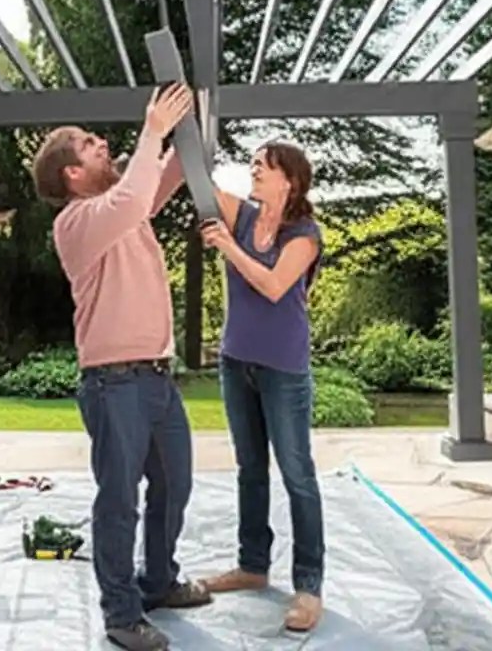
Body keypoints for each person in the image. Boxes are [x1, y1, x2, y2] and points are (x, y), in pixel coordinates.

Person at [31, 83, 212, 651]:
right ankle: (120, 614)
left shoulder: (123, 207)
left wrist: (197, 113)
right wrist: (151, 126)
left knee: (174, 486)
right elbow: (135, 194)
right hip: (114, 384)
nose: (101, 144)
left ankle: (157, 582)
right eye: (88, 144)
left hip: (157, 379)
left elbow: (173, 170)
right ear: (71, 176)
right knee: (118, 498)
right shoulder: (80, 222)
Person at [197, 140, 326, 633]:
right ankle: (252, 567)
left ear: (288, 180)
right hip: (237, 364)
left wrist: (228, 246)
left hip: (283, 370)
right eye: (253, 163)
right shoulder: (244, 216)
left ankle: (308, 587)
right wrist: (178, 133)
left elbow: (273, 287)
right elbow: (198, 184)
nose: (254, 169)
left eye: (264, 166)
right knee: (250, 468)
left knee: (297, 474)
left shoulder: (304, 235)